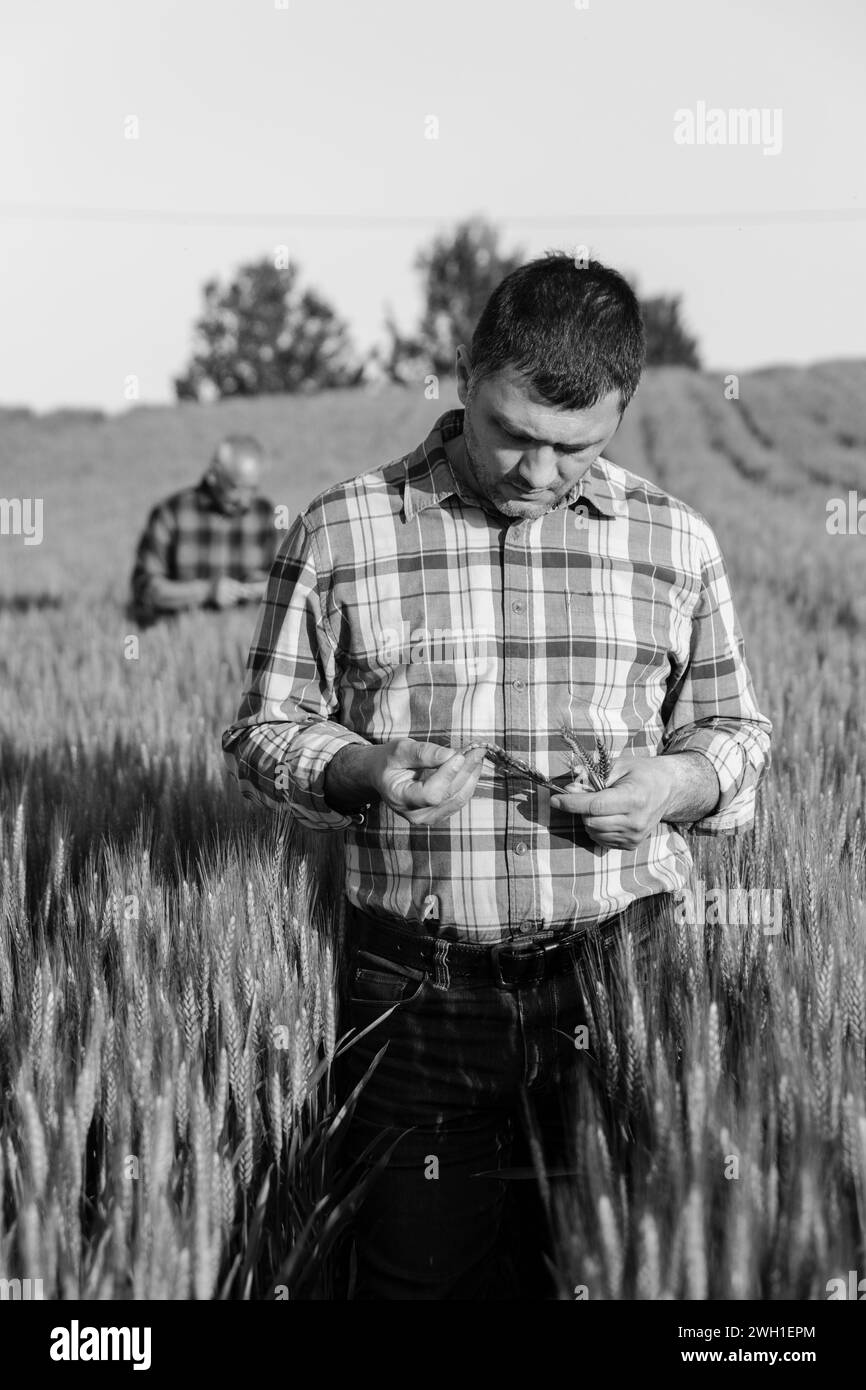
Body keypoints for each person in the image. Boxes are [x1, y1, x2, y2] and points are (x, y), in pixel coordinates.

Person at [221, 253, 772, 1300]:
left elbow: (730, 732)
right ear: (463, 379)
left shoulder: (673, 542)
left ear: (620, 412)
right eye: (509, 432)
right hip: (415, 991)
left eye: (575, 448)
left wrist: (669, 786)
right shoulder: (342, 531)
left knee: (619, 1276)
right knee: (416, 1283)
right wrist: (366, 766)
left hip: (625, 973)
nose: (535, 472)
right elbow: (265, 728)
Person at [129, 435, 279, 623]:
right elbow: (145, 588)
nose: (245, 500)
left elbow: (288, 579)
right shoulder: (171, 512)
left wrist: (261, 587)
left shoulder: (264, 514)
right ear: (213, 475)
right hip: (180, 639)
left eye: (252, 489)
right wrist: (206, 591)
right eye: (236, 488)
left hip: (245, 641)